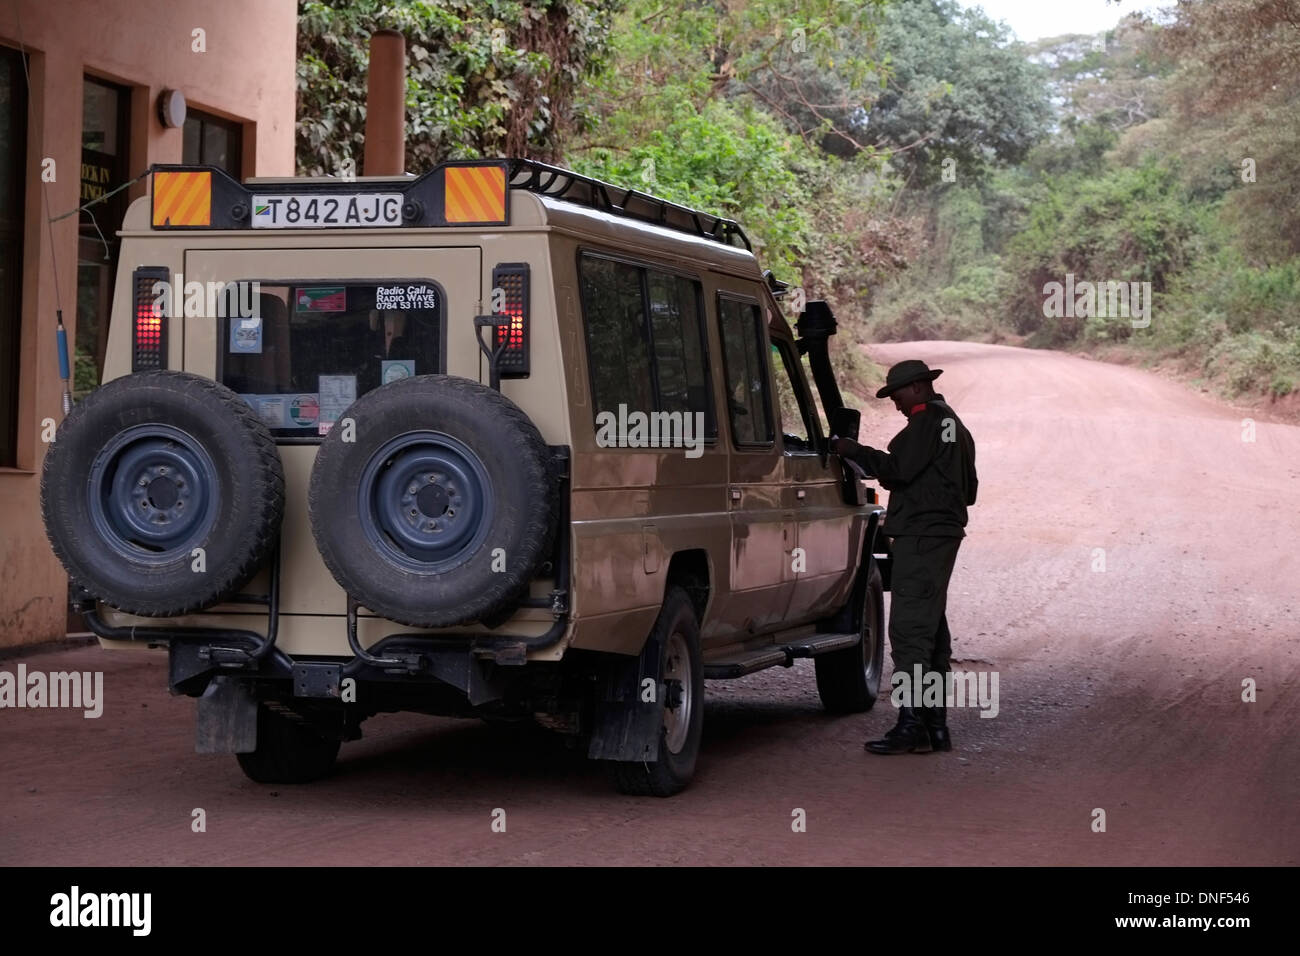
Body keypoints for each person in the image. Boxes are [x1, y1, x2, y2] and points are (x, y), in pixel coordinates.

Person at [830, 359, 978, 755]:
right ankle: (934, 726)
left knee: (911, 632)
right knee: (930, 631)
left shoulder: (927, 420)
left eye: (896, 395)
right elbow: (971, 490)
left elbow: (897, 470)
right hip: (942, 535)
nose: (894, 403)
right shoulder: (955, 426)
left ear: (917, 387)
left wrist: (852, 450)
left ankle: (910, 724)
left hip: (922, 536)